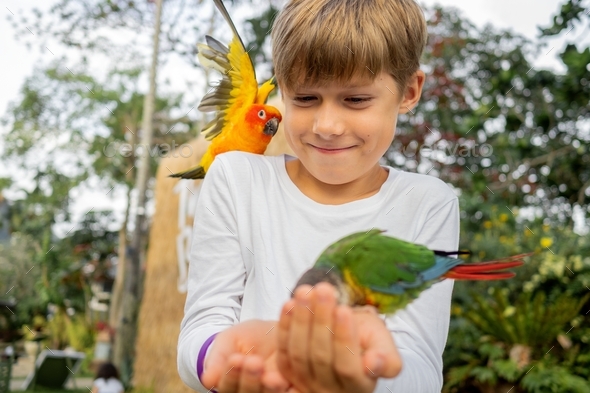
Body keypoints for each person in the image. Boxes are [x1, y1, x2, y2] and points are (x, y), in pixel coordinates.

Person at [178, 0, 459, 392]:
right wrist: (218, 352)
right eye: (306, 99)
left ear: (409, 92)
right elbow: (202, 324)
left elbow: (421, 368)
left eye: (356, 99)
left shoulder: (429, 202)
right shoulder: (235, 177)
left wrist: (363, 376)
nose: (327, 126)